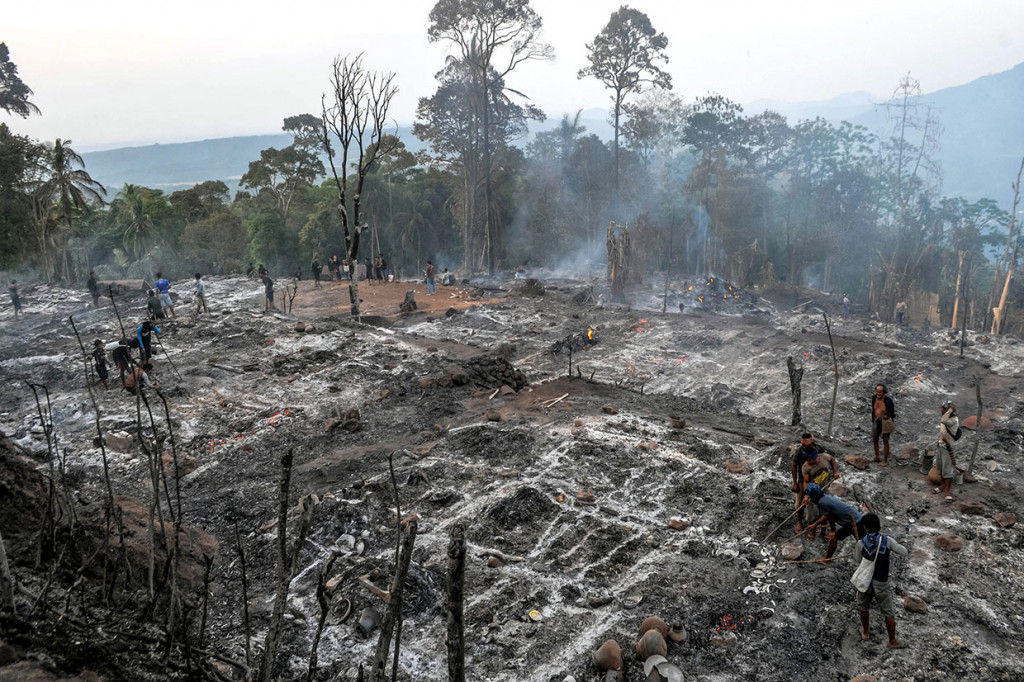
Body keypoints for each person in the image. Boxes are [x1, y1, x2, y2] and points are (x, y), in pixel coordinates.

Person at [855, 513, 908, 648]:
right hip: (881, 582)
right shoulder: (887, 541)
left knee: (863, 606)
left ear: (865, 528)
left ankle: (866, 632)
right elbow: (904, 552)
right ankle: (892, 641)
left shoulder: (860, 543)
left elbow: (857, 560)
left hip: (865, 581)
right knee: (888, 611)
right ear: (878, 526)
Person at [803, 483, 865, 563]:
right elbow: (830, 517)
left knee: (834, 539)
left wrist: (814, 525)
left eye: (810, 496)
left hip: (852, 522)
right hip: (857, 518)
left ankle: (827, 560)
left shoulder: (822, 503)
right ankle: (868, 558)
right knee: (862, 542)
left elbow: (825, 516)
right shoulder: (825, 497)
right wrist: (832, 530)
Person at [801, 444, 840, 539]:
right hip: (813, 492)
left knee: (826, 511)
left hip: (824, 488)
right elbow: (806, 482)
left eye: (810, 460)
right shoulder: (806, 467)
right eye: (807, 460)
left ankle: (823, 532)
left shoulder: (825, 457)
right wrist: (806, 495)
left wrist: (835, 471)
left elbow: (832, 460)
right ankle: (812, 532)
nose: (808, 462)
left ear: (815, 457)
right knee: (811, 515)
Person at [792, 432, 824, 533]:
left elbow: (826, 460)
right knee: (799, 504)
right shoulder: (799, 451)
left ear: (812, 441)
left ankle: (815, 523)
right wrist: (795, 482)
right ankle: (800, 522)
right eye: (802, 444)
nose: (803, 446)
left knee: (815, 503)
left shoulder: (818, 449)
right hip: (802, 479)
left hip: (816, 479)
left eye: (806, 444)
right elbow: (794, 466)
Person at [936, 401, 960, 502]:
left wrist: (950, 410)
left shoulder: (953, 420)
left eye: (943, 408)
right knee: (940, 467)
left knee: (947, 471)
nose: (941, 410)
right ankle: (942, 486)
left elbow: (944, 420)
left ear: (947, 410)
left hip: (948, 447)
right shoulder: (947, 418)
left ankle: (947, 492)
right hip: (941, 445)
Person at [870, 384, 896, 465]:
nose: (878, 394)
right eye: (877, 392)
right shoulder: (874, 398)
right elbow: (873, 409)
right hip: (876, 419)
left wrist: (888, 419)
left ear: (884, 392)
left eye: (880, 392)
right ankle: (877, 457)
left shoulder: (888, 401)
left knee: (885, 440)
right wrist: (873, 419)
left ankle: (885, 460)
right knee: (875, 438)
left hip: (885, 421)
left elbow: (892, 413)